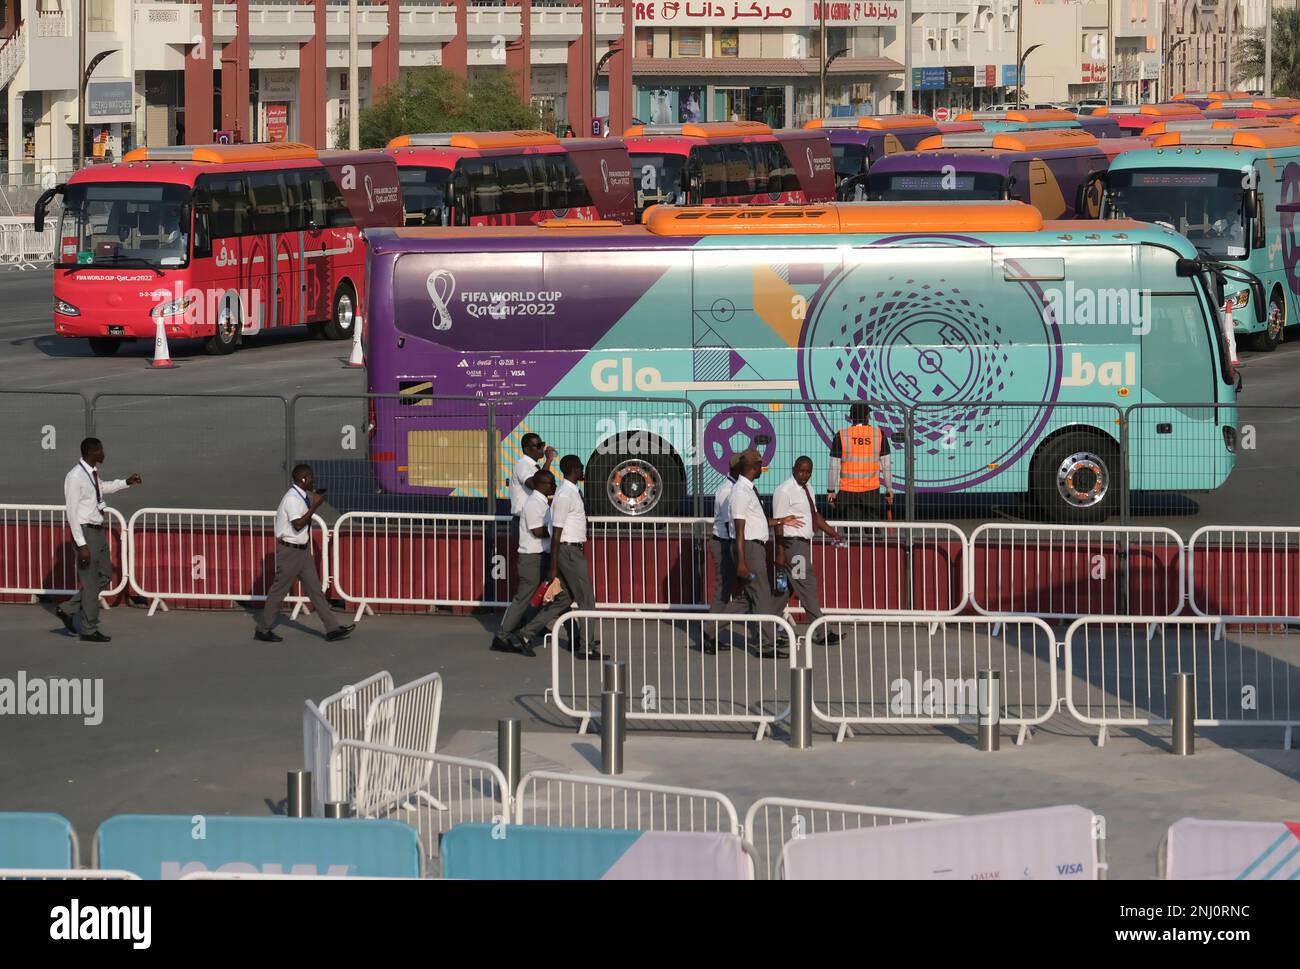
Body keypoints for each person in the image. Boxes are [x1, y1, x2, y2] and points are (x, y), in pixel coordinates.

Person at [255, 464, 354, 642]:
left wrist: (314, 502)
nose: (313, 481)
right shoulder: (292, 499)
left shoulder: (301, 496)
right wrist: (315, 505)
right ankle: (262, 629)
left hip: (302, 551)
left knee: (315, 590)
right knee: (279, 592)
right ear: (303, 479)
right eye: (311, 478)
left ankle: (332, 629)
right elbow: (298, 524)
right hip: (290, 552)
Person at [59, 438, 142, 642]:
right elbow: (72, 513)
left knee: (104, 575)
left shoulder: (92, 473)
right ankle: (88, 629)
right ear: (93, 451)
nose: (104, 452)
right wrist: (81, 544)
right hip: (86, 534)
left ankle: (68, 609)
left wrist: (126, 483)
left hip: (97, 531)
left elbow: (101, 488)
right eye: (101, 449)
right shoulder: (75, 477)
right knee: (89, 583)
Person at [729, 449, 803, 658]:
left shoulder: (748, 490)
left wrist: (781, 521)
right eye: (760, 464)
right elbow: (740, 529)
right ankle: (767, 645)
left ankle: (709, 627)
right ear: (753, 467)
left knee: (748, 598)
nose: (763, 467)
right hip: (750, 551)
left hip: (754, 550)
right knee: (762, 597)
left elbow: (757, 522)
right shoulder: (741, 493)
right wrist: (742, 561)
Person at [493, 469, 571, 657]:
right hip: (532, 558)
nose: (553, 485)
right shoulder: (534, 504)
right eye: (550, 482)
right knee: (525, 598)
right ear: (539, 485)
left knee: (561, 596)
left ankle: (573, 636)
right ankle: (504, 636)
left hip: (540, 556)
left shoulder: (541, 502)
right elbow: (537, 531)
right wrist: (558, 533)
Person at [773, 456, 842, 646]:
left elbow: (813, 515)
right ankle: (822, 632)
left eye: (808, 472)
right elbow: (778, 523)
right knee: (806, 586)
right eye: (801, 471)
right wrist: (780, 551)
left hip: (802, 544)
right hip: (792, 546)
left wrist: (832, 532)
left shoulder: (808, 489)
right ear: (793, 469)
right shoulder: (784, 491)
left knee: (788, 589)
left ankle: (768, 625)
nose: (804, 475)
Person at [546, 455, 600, 660]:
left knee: (566, 598)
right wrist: (553, 566)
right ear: (572, 469)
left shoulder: (571, 492)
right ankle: (586, 648)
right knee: (587, 600)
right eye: (580, 466)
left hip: (571, 550)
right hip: (568, 551)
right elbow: (557, 532)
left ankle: (527, 632)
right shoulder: (565, 495)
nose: (582, 469)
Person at [703, 452, 748, 653]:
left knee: (726, 590)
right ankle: (709, 633)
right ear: (737, 470)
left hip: (725, 541)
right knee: (723, 590)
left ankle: (711, 633)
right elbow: (733, 525)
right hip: (723, 543)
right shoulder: (728, 491)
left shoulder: (731, 488)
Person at [828, 403, 894, 521]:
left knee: (852, 533)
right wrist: (889, 489)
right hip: (871, 491)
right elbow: (886, 465)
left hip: (848, 492)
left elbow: (834, 465)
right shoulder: (878, 434)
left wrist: (831, 490)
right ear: (867, 417)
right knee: (873, 532)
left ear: (851, 417)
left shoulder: (841, 435)